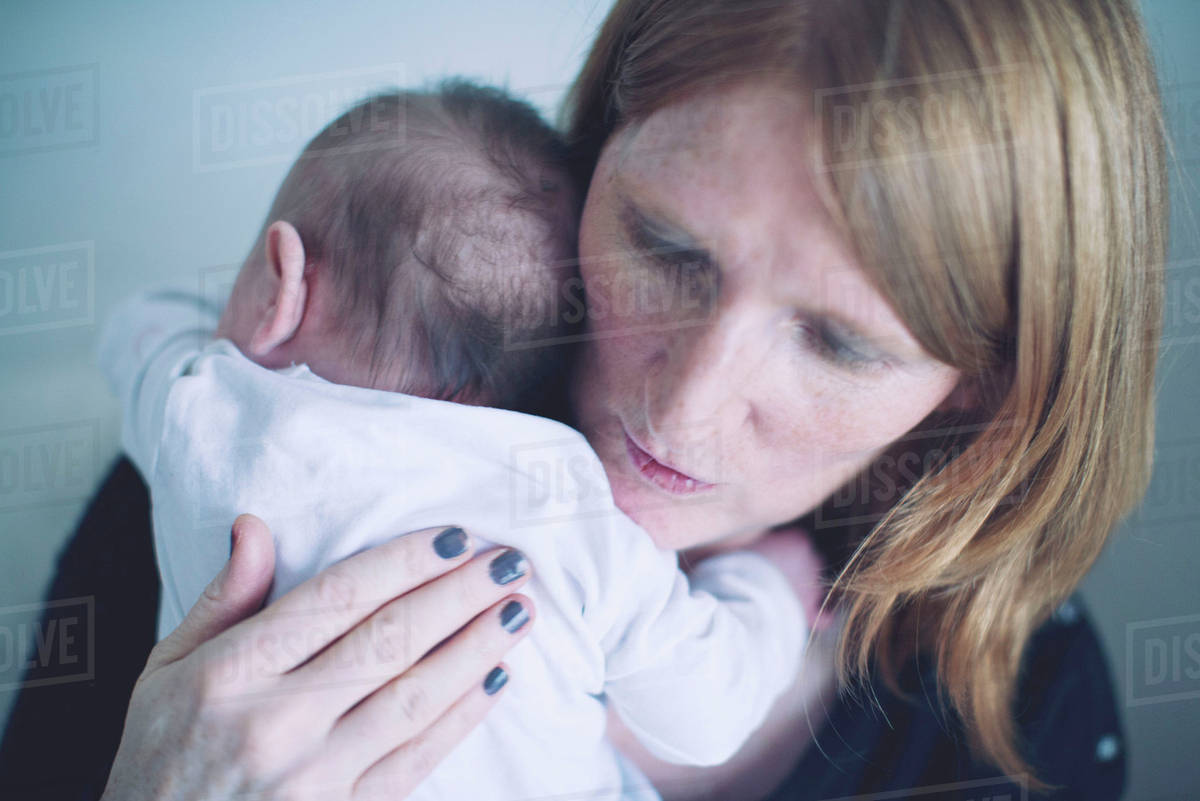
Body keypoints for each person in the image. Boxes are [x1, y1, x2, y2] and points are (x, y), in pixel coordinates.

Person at [0, 0, 1164, 799]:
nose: (689, 407)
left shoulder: (1018, 719)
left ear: (979, 397)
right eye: (664, 247)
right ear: (592, 154)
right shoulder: (185, 516)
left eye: (839, 344)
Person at [98, 80, 818, 801]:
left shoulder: (201, 408)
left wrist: (232, 344)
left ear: (278, 287)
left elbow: (134, 327)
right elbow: (707, 713)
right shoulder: (564, 496)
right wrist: (771, 583)